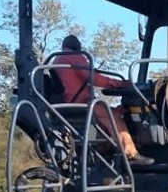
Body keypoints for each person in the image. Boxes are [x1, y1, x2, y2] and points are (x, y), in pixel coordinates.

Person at [50, 35, 152, 165]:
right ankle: (130, 154)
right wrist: (122, 84)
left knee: (112, 114)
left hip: (68, 105)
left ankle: (104, 154)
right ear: (77, 46)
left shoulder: (56, 59)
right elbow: (95, 79)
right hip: (81, 104)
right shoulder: (75, 56)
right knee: (113, 116)